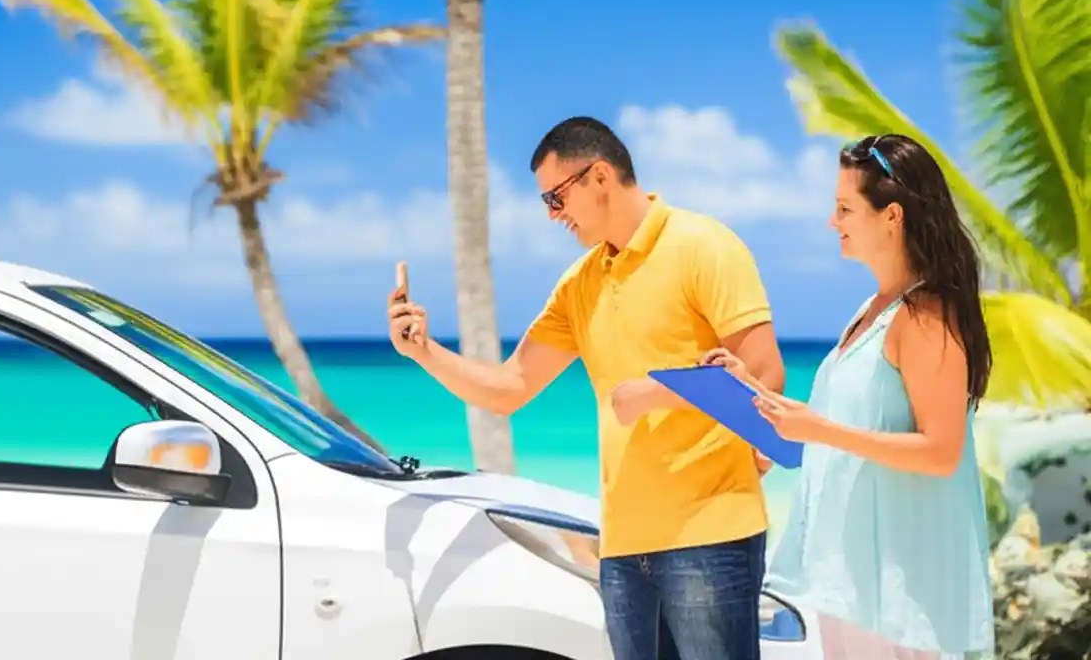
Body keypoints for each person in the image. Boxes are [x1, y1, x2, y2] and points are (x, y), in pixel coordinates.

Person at [387, 116, 786, 660]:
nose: (553, 215)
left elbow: (763, 373)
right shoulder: (580, 284)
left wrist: (653, 392)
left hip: (710, 539)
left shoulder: (703, 245)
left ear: (599, 176)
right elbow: (510, 387)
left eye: (556, 196)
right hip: (622, 549)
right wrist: (423, 351)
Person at [705, 133, 995, 659]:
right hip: (856, 587)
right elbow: (841, 440)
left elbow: (941, 451)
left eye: (844, 208)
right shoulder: (869, 311)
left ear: (892, 217)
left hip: (909, 600)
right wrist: (749, 393)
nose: (831, 222)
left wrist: (819, 430)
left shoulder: (927, 314)